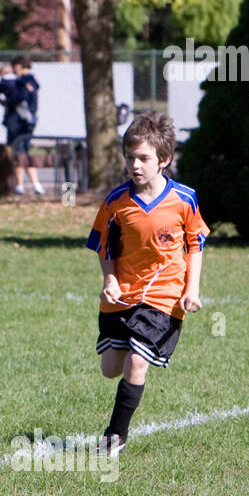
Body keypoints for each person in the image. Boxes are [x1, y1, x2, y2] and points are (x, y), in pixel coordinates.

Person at [86, 112, 207, 455]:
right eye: (129, 157)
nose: (134, 165)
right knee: (111, 368)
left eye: (143, 158)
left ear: (164, 160)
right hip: (123, 292)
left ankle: (114, 437)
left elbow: (195, 244)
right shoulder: (116, 201)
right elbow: (104, 246)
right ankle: (119, 418)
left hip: (165, 293)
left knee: (137, 361)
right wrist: (109, 279)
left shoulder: (185, 199)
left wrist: (191, 289)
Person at [0, 57, 44, 196]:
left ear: (19, 66)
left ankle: (24, 185)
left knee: (19, 153)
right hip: (24, 122)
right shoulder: (28, 82)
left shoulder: (24, 82)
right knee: (22, 152)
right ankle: (31, 184)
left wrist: (7, 101)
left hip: (20, 122)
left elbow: (18, 98)